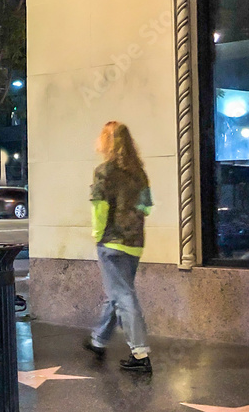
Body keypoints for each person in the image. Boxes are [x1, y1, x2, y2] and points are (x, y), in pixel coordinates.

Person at [84, 121, 153, 373]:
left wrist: (97, 235)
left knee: (123, 296)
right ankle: (99, 341)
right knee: (117, 292)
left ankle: (140, 352)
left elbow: (100, 208)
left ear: (106, 142)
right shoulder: (139, 173)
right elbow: (146, 207)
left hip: (111, 242)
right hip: (134, 243)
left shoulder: (104, 171)